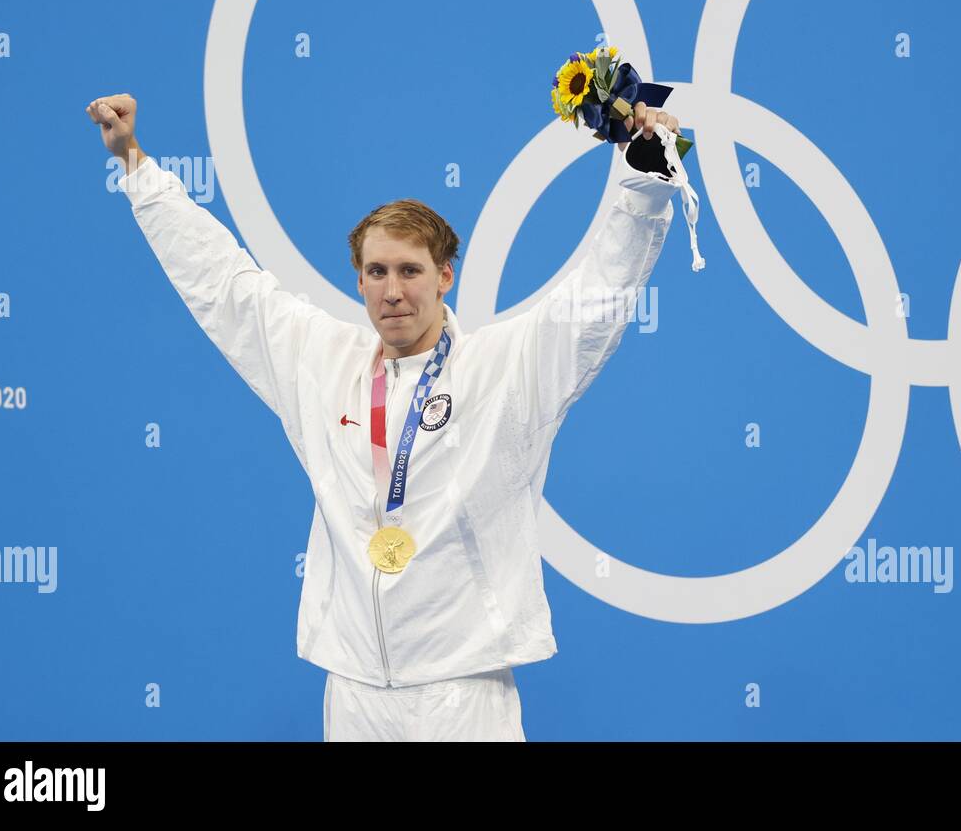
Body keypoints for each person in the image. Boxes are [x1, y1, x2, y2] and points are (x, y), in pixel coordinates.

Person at [85, 93, 683, 741]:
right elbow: (223, 283)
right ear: (358, 280)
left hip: (463, 688)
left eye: (409, 270)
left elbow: (594, 301)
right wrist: (139, 169)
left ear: (445, 275)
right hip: (354, 689)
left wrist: (643, 185)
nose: (393, 290)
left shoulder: (507, 368)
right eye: (376, 272)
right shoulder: (319, 360)